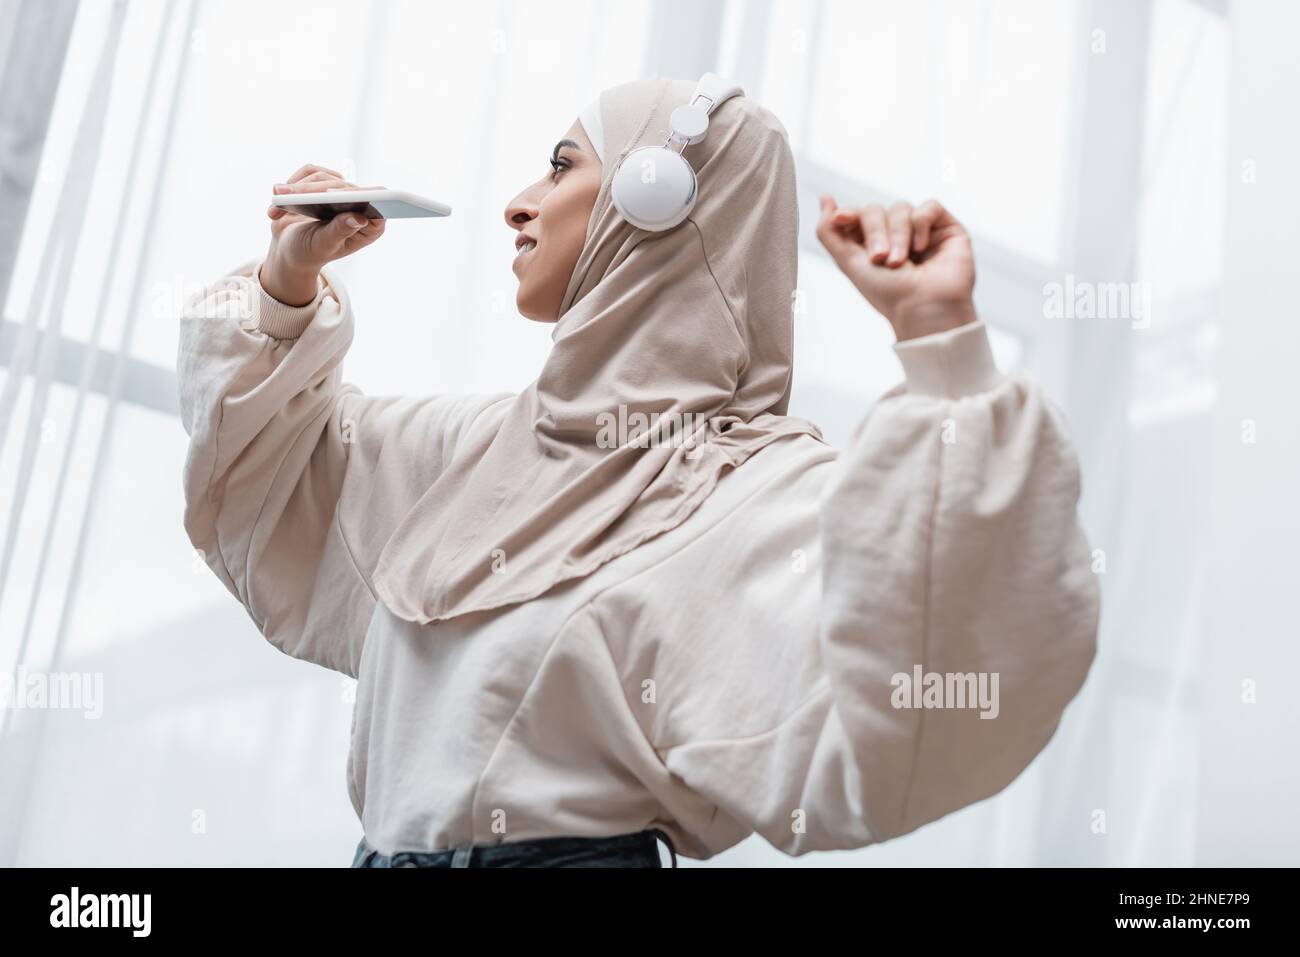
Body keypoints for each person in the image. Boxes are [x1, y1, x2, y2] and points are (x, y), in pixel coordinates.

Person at [177, 76, 1099, 868]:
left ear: (654, 193)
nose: (520, 201)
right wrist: (284, 284)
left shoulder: (754, 491)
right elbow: (265, 479)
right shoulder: (470, 453)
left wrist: (941, 345)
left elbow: (927, 669)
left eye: (564, 163)